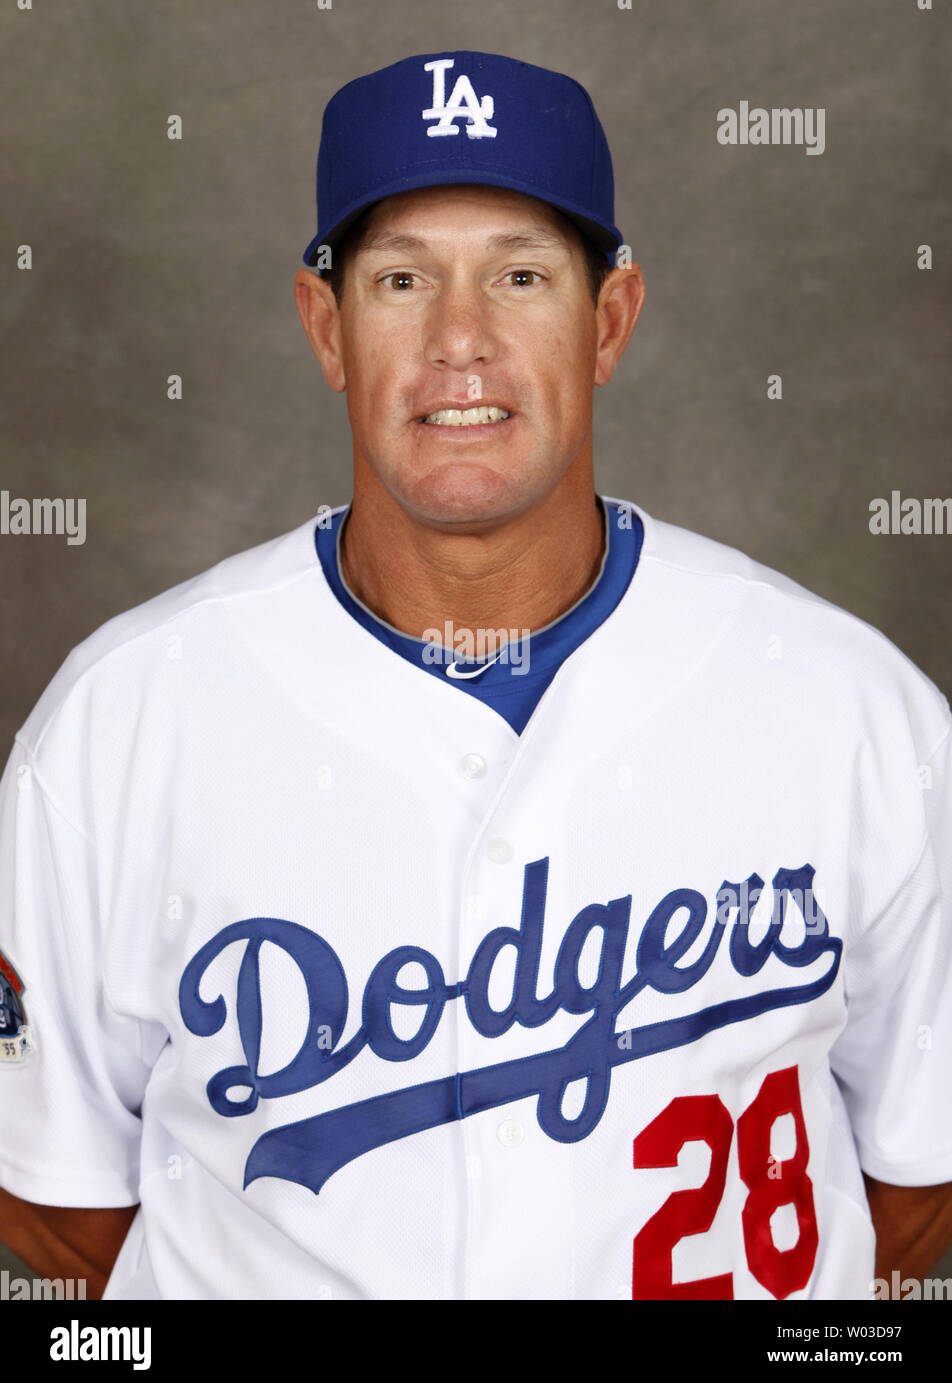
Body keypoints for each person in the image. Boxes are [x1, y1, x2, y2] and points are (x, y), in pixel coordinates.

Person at [1, 49, 950, 1301]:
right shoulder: (120, 718)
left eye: (519, 275)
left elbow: (920, 1178)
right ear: (324, 326)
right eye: (401, 280)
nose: (461, 343)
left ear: (606, 320)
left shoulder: (853, 706)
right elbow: (59, 1203)